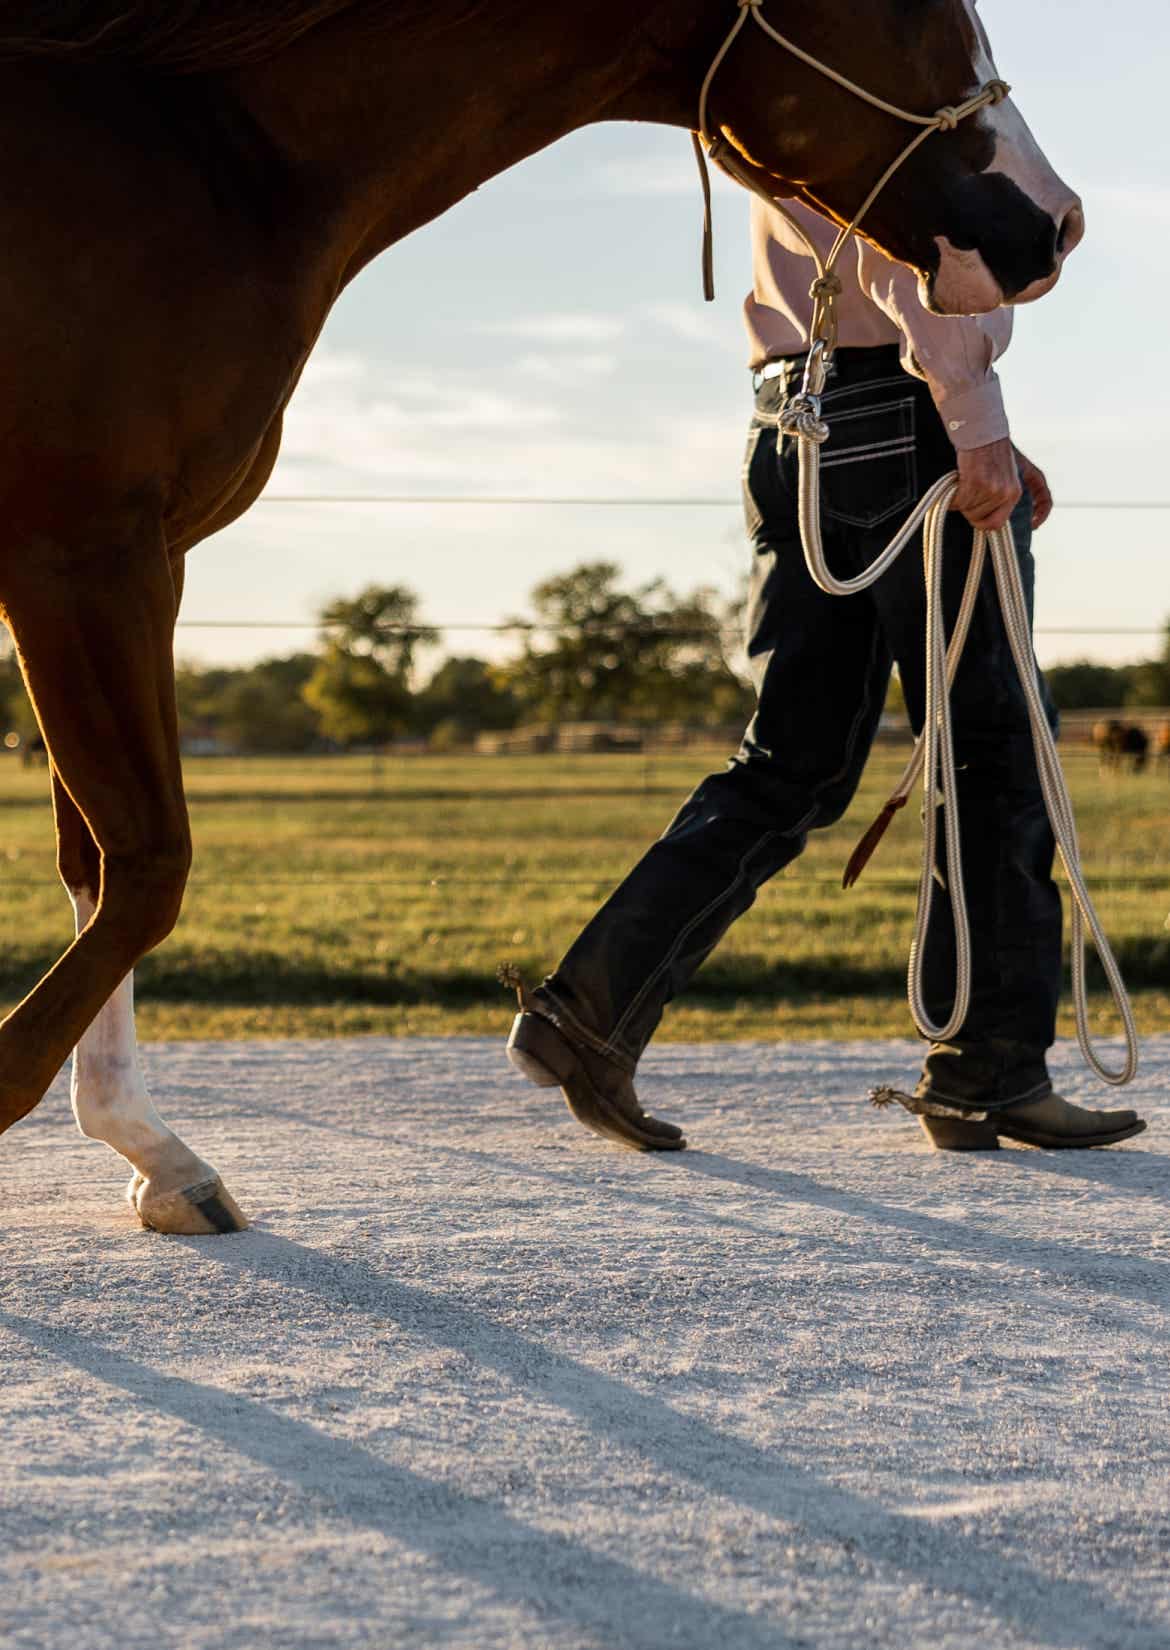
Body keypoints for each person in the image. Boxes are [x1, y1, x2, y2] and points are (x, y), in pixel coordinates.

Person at [503, 196, 1146, 1154]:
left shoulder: (762, 120)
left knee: (789, 760)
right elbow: (905, 248)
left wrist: (968, 423)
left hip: (791, 421)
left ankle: (587, 1013)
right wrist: (972, 422)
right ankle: (989, 1071)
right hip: (900, 410)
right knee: (995, 755)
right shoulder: (908, 95)